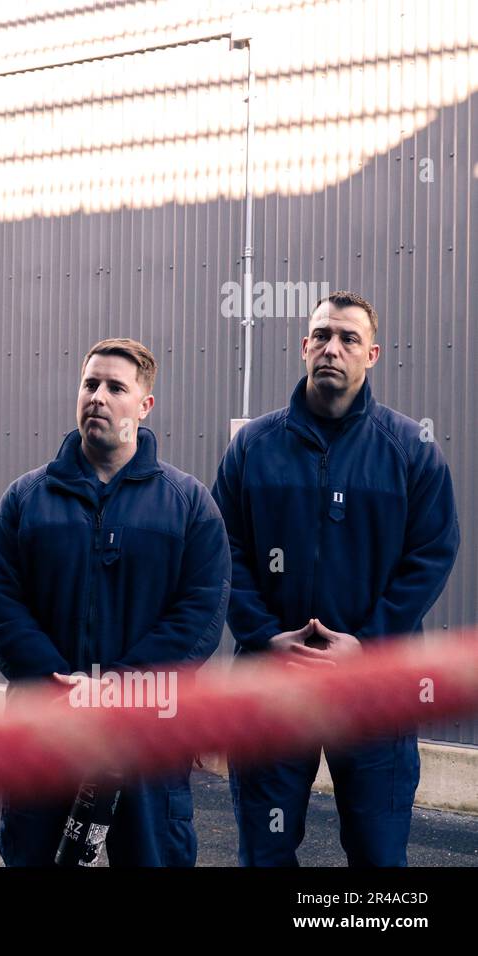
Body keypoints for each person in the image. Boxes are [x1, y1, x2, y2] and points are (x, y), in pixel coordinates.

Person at [212, 291, 459, 866]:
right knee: (265, 851)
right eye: (322, 335)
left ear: (371, 354)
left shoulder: (410, 451)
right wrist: (263, 635)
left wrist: (367, 645)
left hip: (373, 688)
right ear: (304, 347)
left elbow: (431, 554)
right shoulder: (254, 446)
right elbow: (222, 549)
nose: (333, 348)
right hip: (273, 680)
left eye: (348, 338)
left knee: (378, 855)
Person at [0, 337, 230, 866]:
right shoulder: (26, 500)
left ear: (144, 406)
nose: (98, 396)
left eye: (116, 386)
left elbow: (200, 614)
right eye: (90, 383)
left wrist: (118, 686)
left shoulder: (188, 505)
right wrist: (57, 685)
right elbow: (1, 605)